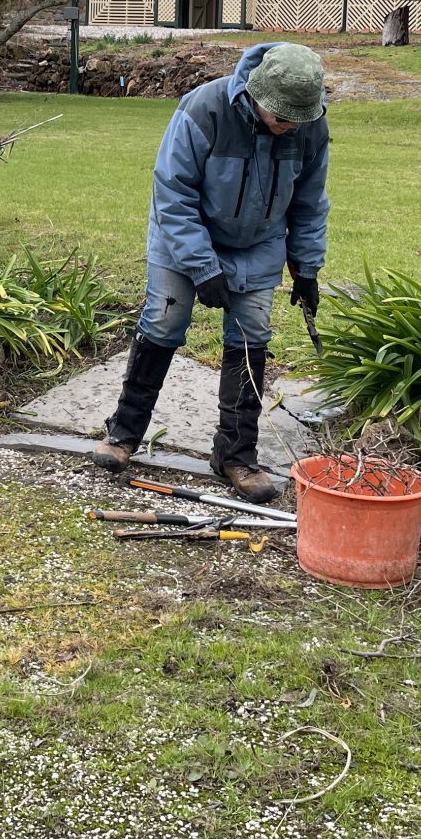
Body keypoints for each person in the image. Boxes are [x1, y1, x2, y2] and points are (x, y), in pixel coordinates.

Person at [92, 42, 329, 504]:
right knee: (163, 323)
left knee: (251, 337)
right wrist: (203, 267)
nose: (288, 128)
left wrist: (306, 268)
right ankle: (123, 434)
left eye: (296, 120)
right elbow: (173, 193)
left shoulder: (308, 125)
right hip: (182, 238)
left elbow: (309, 203)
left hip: (258, 243)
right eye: (280, 117)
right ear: (255, 95)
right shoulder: (203, 108)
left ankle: (235, 455)